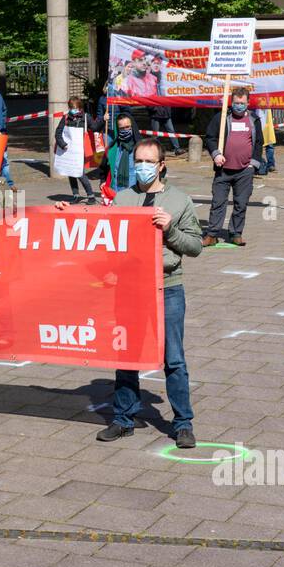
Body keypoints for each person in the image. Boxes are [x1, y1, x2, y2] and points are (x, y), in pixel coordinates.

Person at [60, 138, 202, 447]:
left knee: (174, 359)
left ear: (161, 165)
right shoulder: (123, 198)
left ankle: (183, 424)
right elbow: (98, 230)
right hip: (129, 290)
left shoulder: (179, 200)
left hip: (167, 289)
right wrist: (66, 212)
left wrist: (171, 230)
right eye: (138, 161)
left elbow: (195, 246)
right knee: (125, 355)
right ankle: (123, 418)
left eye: (149, 162)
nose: (142, 167)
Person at [202, 85, 262, 246]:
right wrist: (216, 154)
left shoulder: (254, 120)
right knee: (218, 202)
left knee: (241, 203)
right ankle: (212, 234)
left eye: (242, 103)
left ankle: (236, 233)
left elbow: (258, 143)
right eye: (236, 102)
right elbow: (210, 137)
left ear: (248, 103)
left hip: (245, 170)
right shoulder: (221, 118)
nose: (239, 106)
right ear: (231, 102)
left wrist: (253, 165)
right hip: (223, 170)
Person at [54, 96, 100, 204]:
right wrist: (62, 144)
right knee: (70, 172)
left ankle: (91, 196)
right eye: (71, 107)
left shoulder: (85, 117)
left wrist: (103, 119)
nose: (73, 110)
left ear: (80, 107)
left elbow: (94, 127)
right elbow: (58, 133)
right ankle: (76, 195)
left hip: (80, 150)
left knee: (79, 172)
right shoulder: (65, 118)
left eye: (76, 107)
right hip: (68, 151)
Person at [98, 112, 139, 200]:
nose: (125, 130)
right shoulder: (112, 149)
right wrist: (103, 181)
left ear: (132, 127)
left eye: (127, 127)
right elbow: (103, 167)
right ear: (118, 129)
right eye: (122, 128)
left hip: (136, 196)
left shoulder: (141, 148)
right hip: (115, 194)